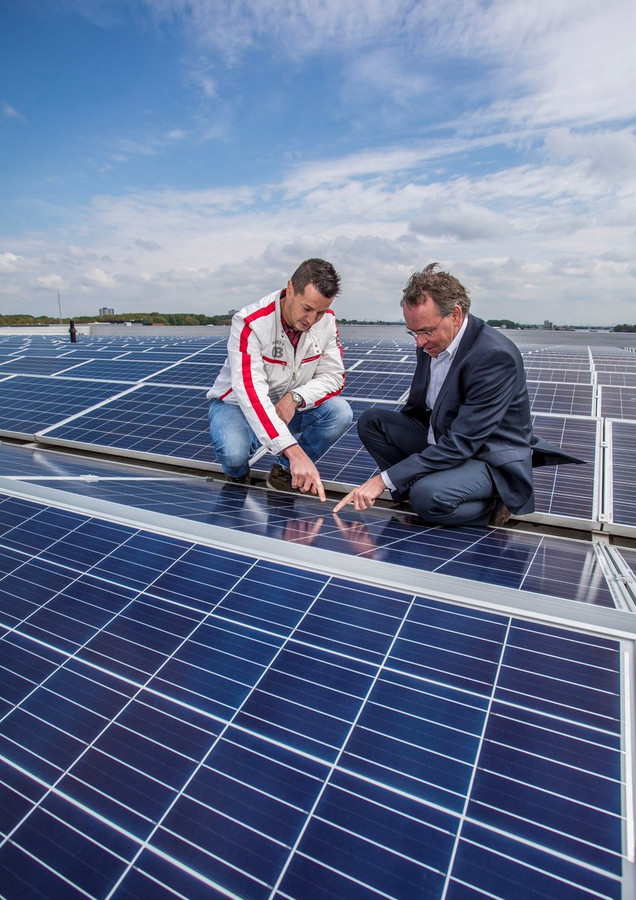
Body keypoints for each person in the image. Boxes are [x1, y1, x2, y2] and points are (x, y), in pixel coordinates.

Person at [334, 262, 584, 526]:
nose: (419, 342)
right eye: (413, 332)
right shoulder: (431, 342)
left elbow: (463, 442)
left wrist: (383, 480)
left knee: (428, 497)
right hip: (445, 440)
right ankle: (422, 490)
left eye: (426, 331)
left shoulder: (493, 356)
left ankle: (492, 505)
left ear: (455, 315)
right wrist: (406, 470)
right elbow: (419, 411)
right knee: (373, 421)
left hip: (485, 455)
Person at [207, 258, 353, 499]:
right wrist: (294, 452)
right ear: (290, 289)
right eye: (307, 308)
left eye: (320, 312)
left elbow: (334, 377)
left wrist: (295, 398)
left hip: (289, 408)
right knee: (234, 454)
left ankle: (283, 475)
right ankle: (239, 476)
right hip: (237, 406)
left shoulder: (326, 323)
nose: (312, 320)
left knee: (340, 412)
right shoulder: (250, 323)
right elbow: (251, 394)